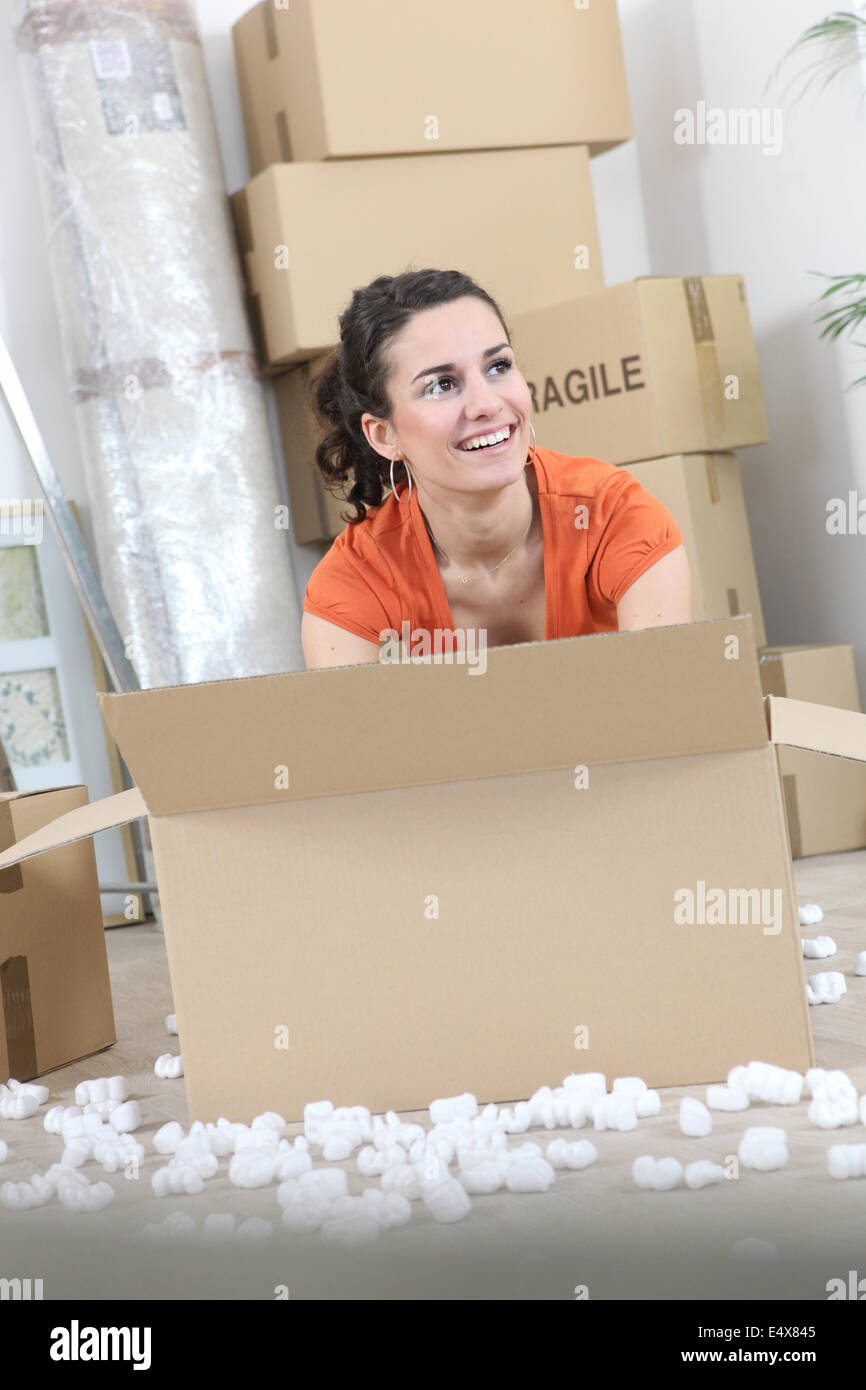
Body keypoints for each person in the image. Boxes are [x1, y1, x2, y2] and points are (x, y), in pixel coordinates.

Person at [302, 268, 691, 670]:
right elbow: (356, 731)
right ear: (384, 435)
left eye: (498, 366)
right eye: (442, 385)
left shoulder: (612, 514)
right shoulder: (355, 580)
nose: (486, 404)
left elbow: (663, 703)